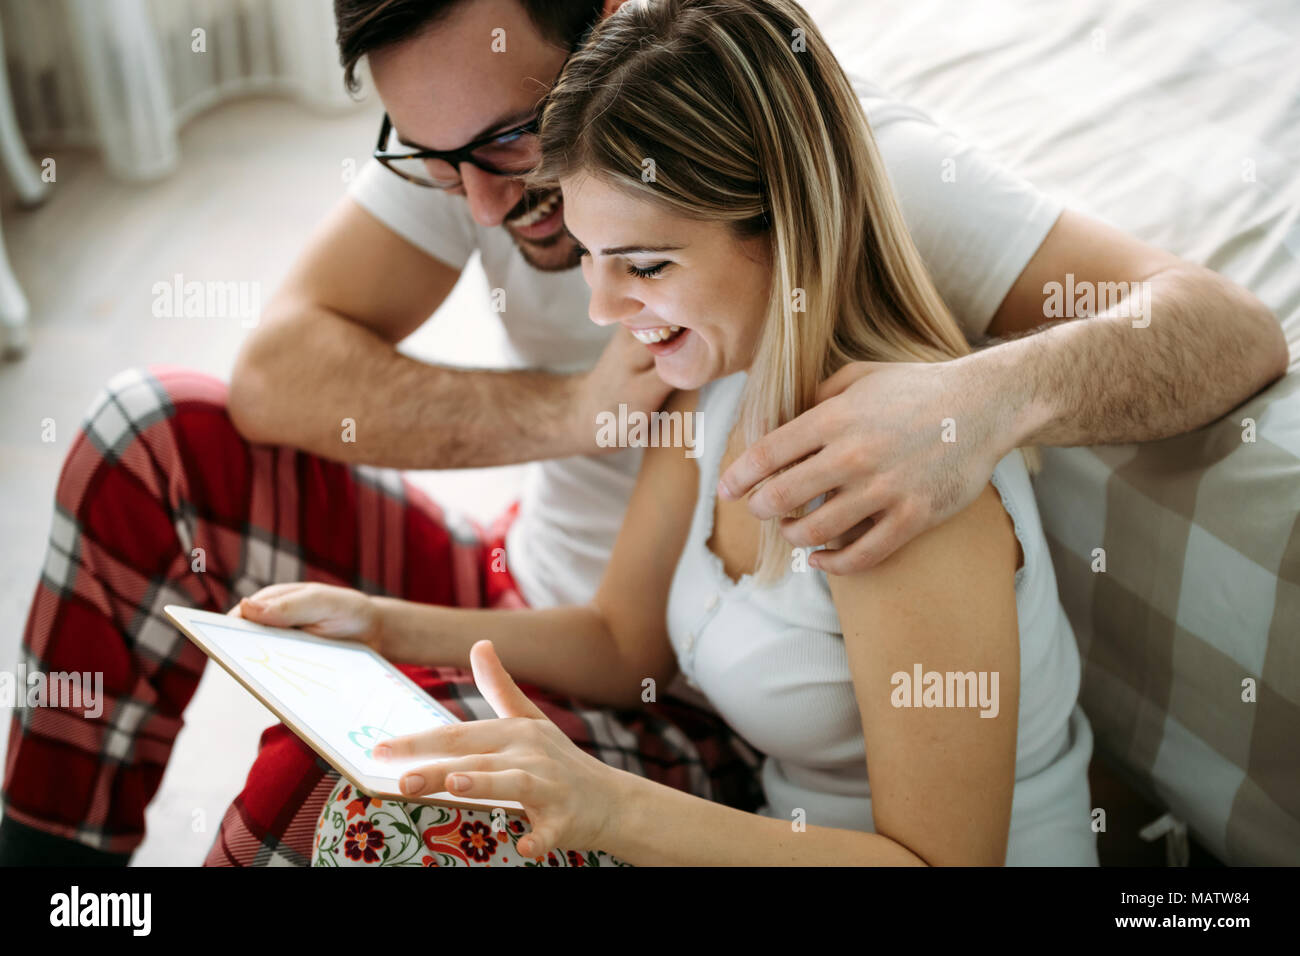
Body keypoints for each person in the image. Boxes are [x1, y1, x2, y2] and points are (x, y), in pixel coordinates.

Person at [0, 0, 1284, 867]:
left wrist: (978, 403)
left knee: (359, 796)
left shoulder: (879, 466)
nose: (495, 211)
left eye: (513, 147)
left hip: (734, 760)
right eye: (440, 165)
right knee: (152, 452)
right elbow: (624, 634)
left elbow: (1224, 327)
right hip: (611, 639)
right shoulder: (698, 358)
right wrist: (388, 614)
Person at [301, 0, 1098, 865]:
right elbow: (620, 642)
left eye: (644, 266)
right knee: (358, 782)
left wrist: (606, 807)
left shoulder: (893, 480)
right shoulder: (709, 384)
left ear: (782, 223)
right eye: (591, 257)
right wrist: (376, 626)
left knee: (384, 830)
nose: (606, 310)